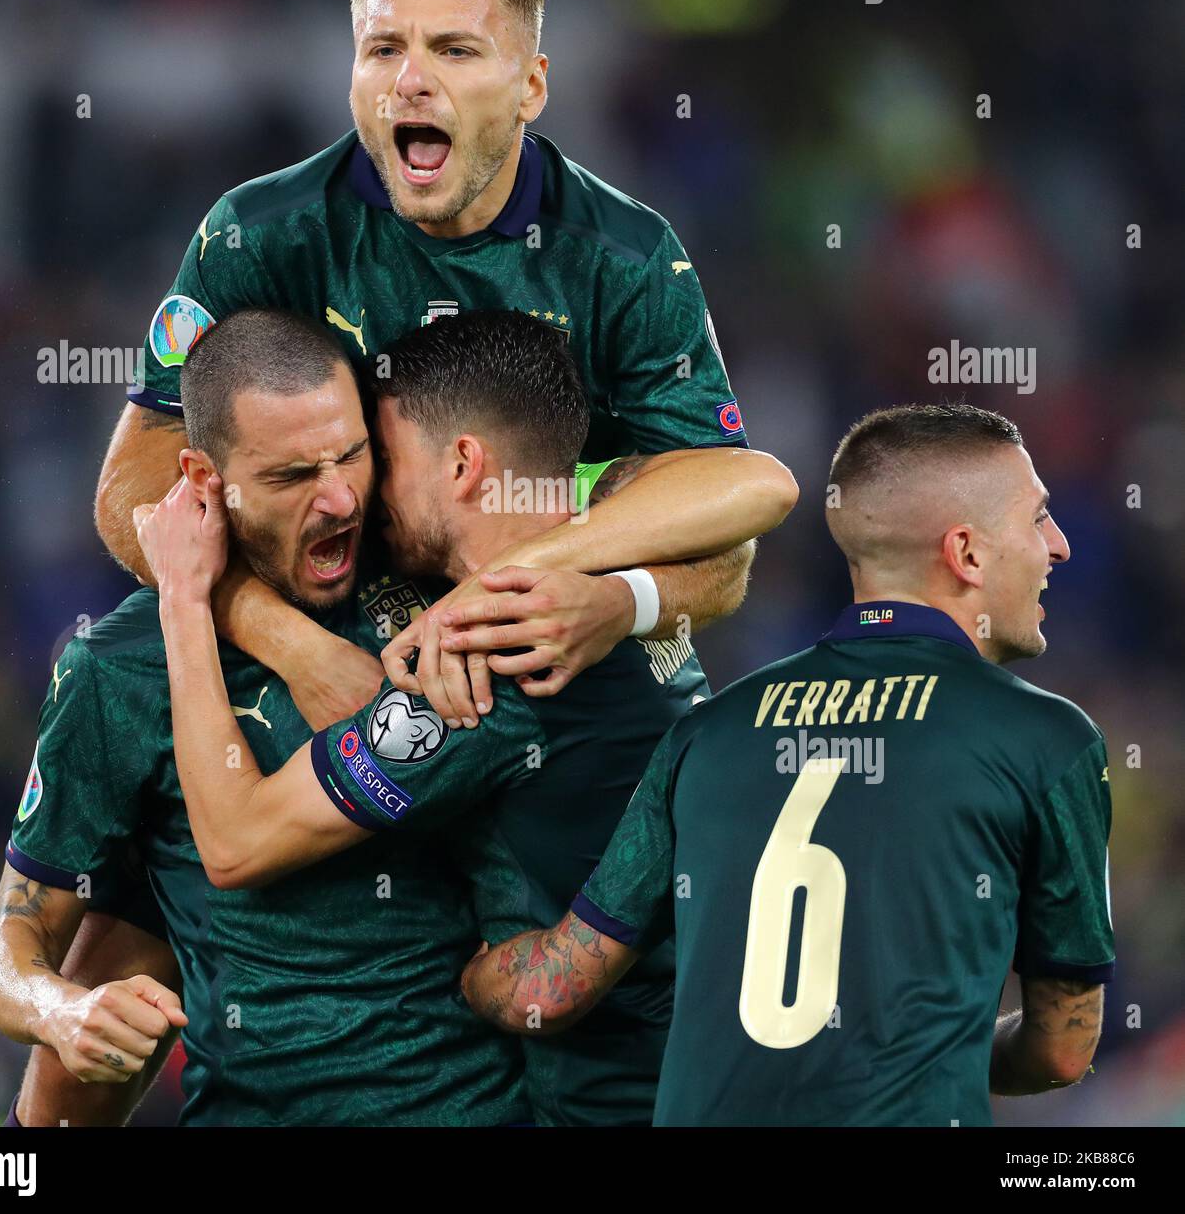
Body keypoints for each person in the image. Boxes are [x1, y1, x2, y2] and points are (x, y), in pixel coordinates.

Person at [0, 307, 793, 1124]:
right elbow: (48, 944)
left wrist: (600, 593)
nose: (338, 498)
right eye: (293, 476)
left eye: (359, 456)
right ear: (201, 480)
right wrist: (59, 1012)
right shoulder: (119, 672)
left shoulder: (470, 611)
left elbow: (746, 486)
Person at [94, 0, 759, 733]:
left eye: (454, 49)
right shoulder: (260, 235)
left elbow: (725, 545)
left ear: (532, 88)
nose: (411, 80)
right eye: (384, 49)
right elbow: (134, 485)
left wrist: (621, 603)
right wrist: (288, 642)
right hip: (333, 629)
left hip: (552, 644)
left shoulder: (628, 258)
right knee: (97, 666)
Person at [461, 404, 1115, 1127]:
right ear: (967, 553)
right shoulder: (1049, 741)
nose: (1058, 547)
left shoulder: (706, 733)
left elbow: (548, 991)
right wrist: (915, 1052)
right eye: (1037, 520)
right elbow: (1062, 1051)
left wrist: (460, 967)